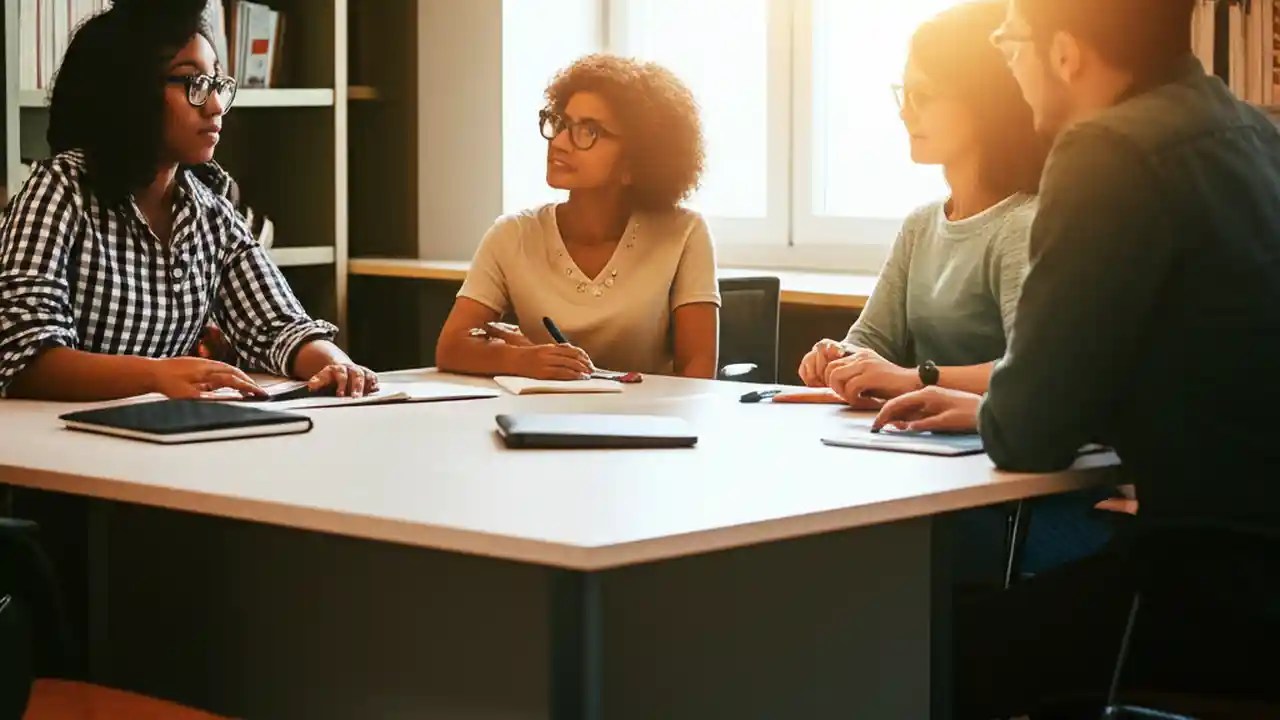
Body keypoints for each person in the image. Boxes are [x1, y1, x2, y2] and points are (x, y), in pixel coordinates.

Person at [875, 0, 1280, 715]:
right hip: (1249, 560)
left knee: (915, 649)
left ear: (1065, 54)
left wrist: (1002, 410)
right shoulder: (1253, 131)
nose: (1009, 58)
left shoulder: (1106, 151)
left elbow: (1032, 432)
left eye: (1012, 39)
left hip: (1209, 584)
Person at [0, 0, 377, 402]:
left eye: (216, 83)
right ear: (130, 90)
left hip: (163, 437)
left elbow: (278, 326)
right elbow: (26, 358)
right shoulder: (60, 188)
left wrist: (337, 365)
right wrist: (156, 376)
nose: (215, 105)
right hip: (53, 438)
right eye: (191, 83)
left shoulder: (210, 212)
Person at [798, 0, 1047, 406]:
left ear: (982, 101)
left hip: (990, 447)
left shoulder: (1021, 224)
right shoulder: (920, 225)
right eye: (903, 93)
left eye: (923, 96)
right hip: (919, 441)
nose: (904, 113)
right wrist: (837, 357)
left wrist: (916, 378)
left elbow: (1032, 371)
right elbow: (871, 340)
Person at [436, 54, 720, 380]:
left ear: (636, 160)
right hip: (539, 420)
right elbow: (451, 346)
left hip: (648, 424)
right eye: (560, 123)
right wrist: (522, 360)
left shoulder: (685, 234)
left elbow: (697, 373)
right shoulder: (512, 234)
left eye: (588, 131)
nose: (558, 142)